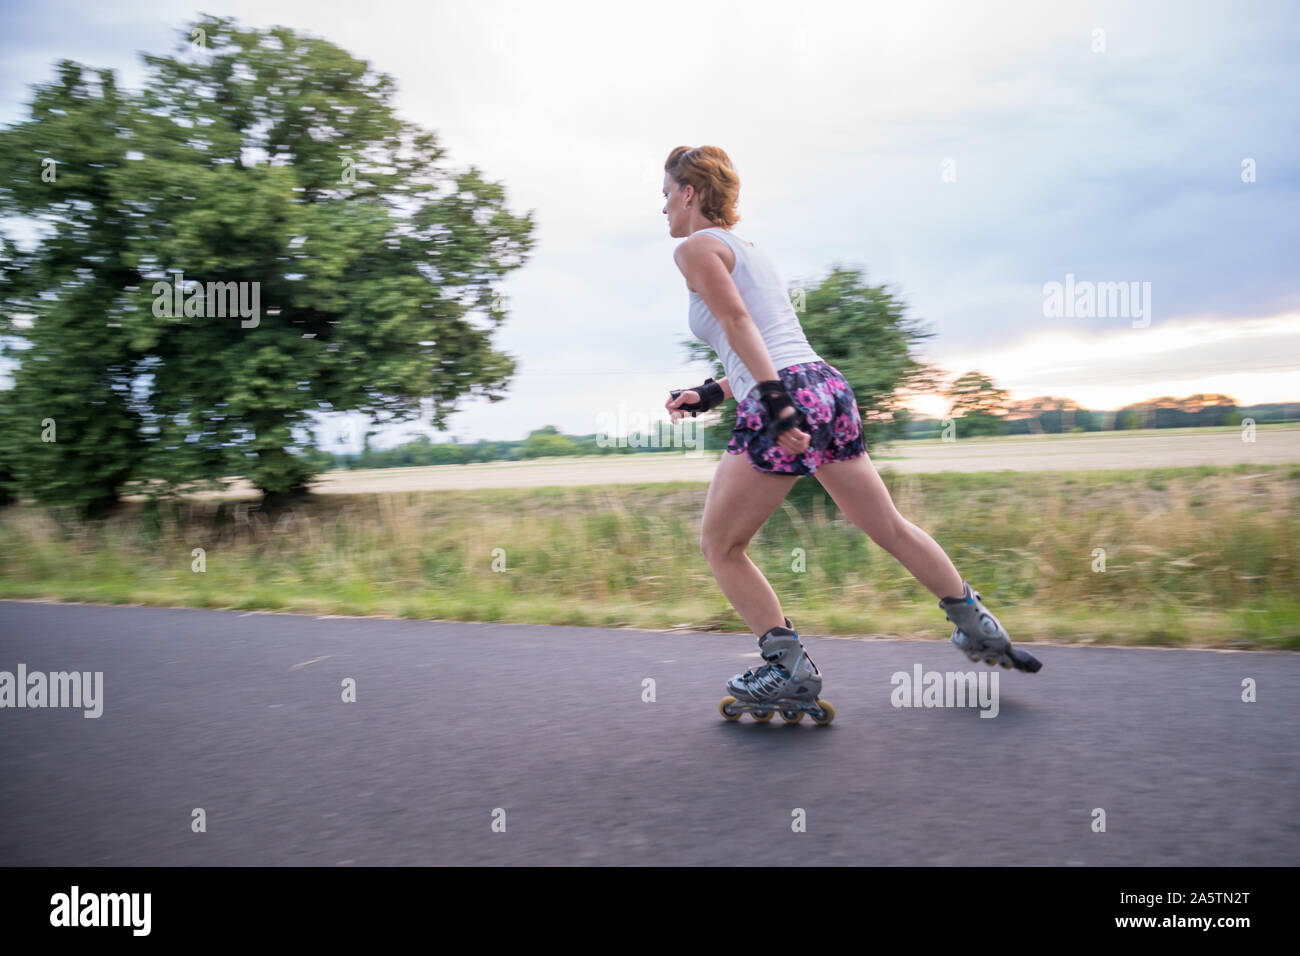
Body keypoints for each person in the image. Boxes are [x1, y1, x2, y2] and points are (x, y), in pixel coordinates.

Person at [660, 145, 1041, 716]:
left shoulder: (694, 248)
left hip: (786, 394)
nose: (661, 207)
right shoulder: (750, 250)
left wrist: (775, 405)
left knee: (721, 544)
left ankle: (785, 668)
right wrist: (713, 392)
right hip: (826, 387)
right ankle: (975, 622)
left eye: (665, 194)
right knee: (888, 525)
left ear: (689, 194)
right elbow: (764, 338)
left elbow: (740, 324)